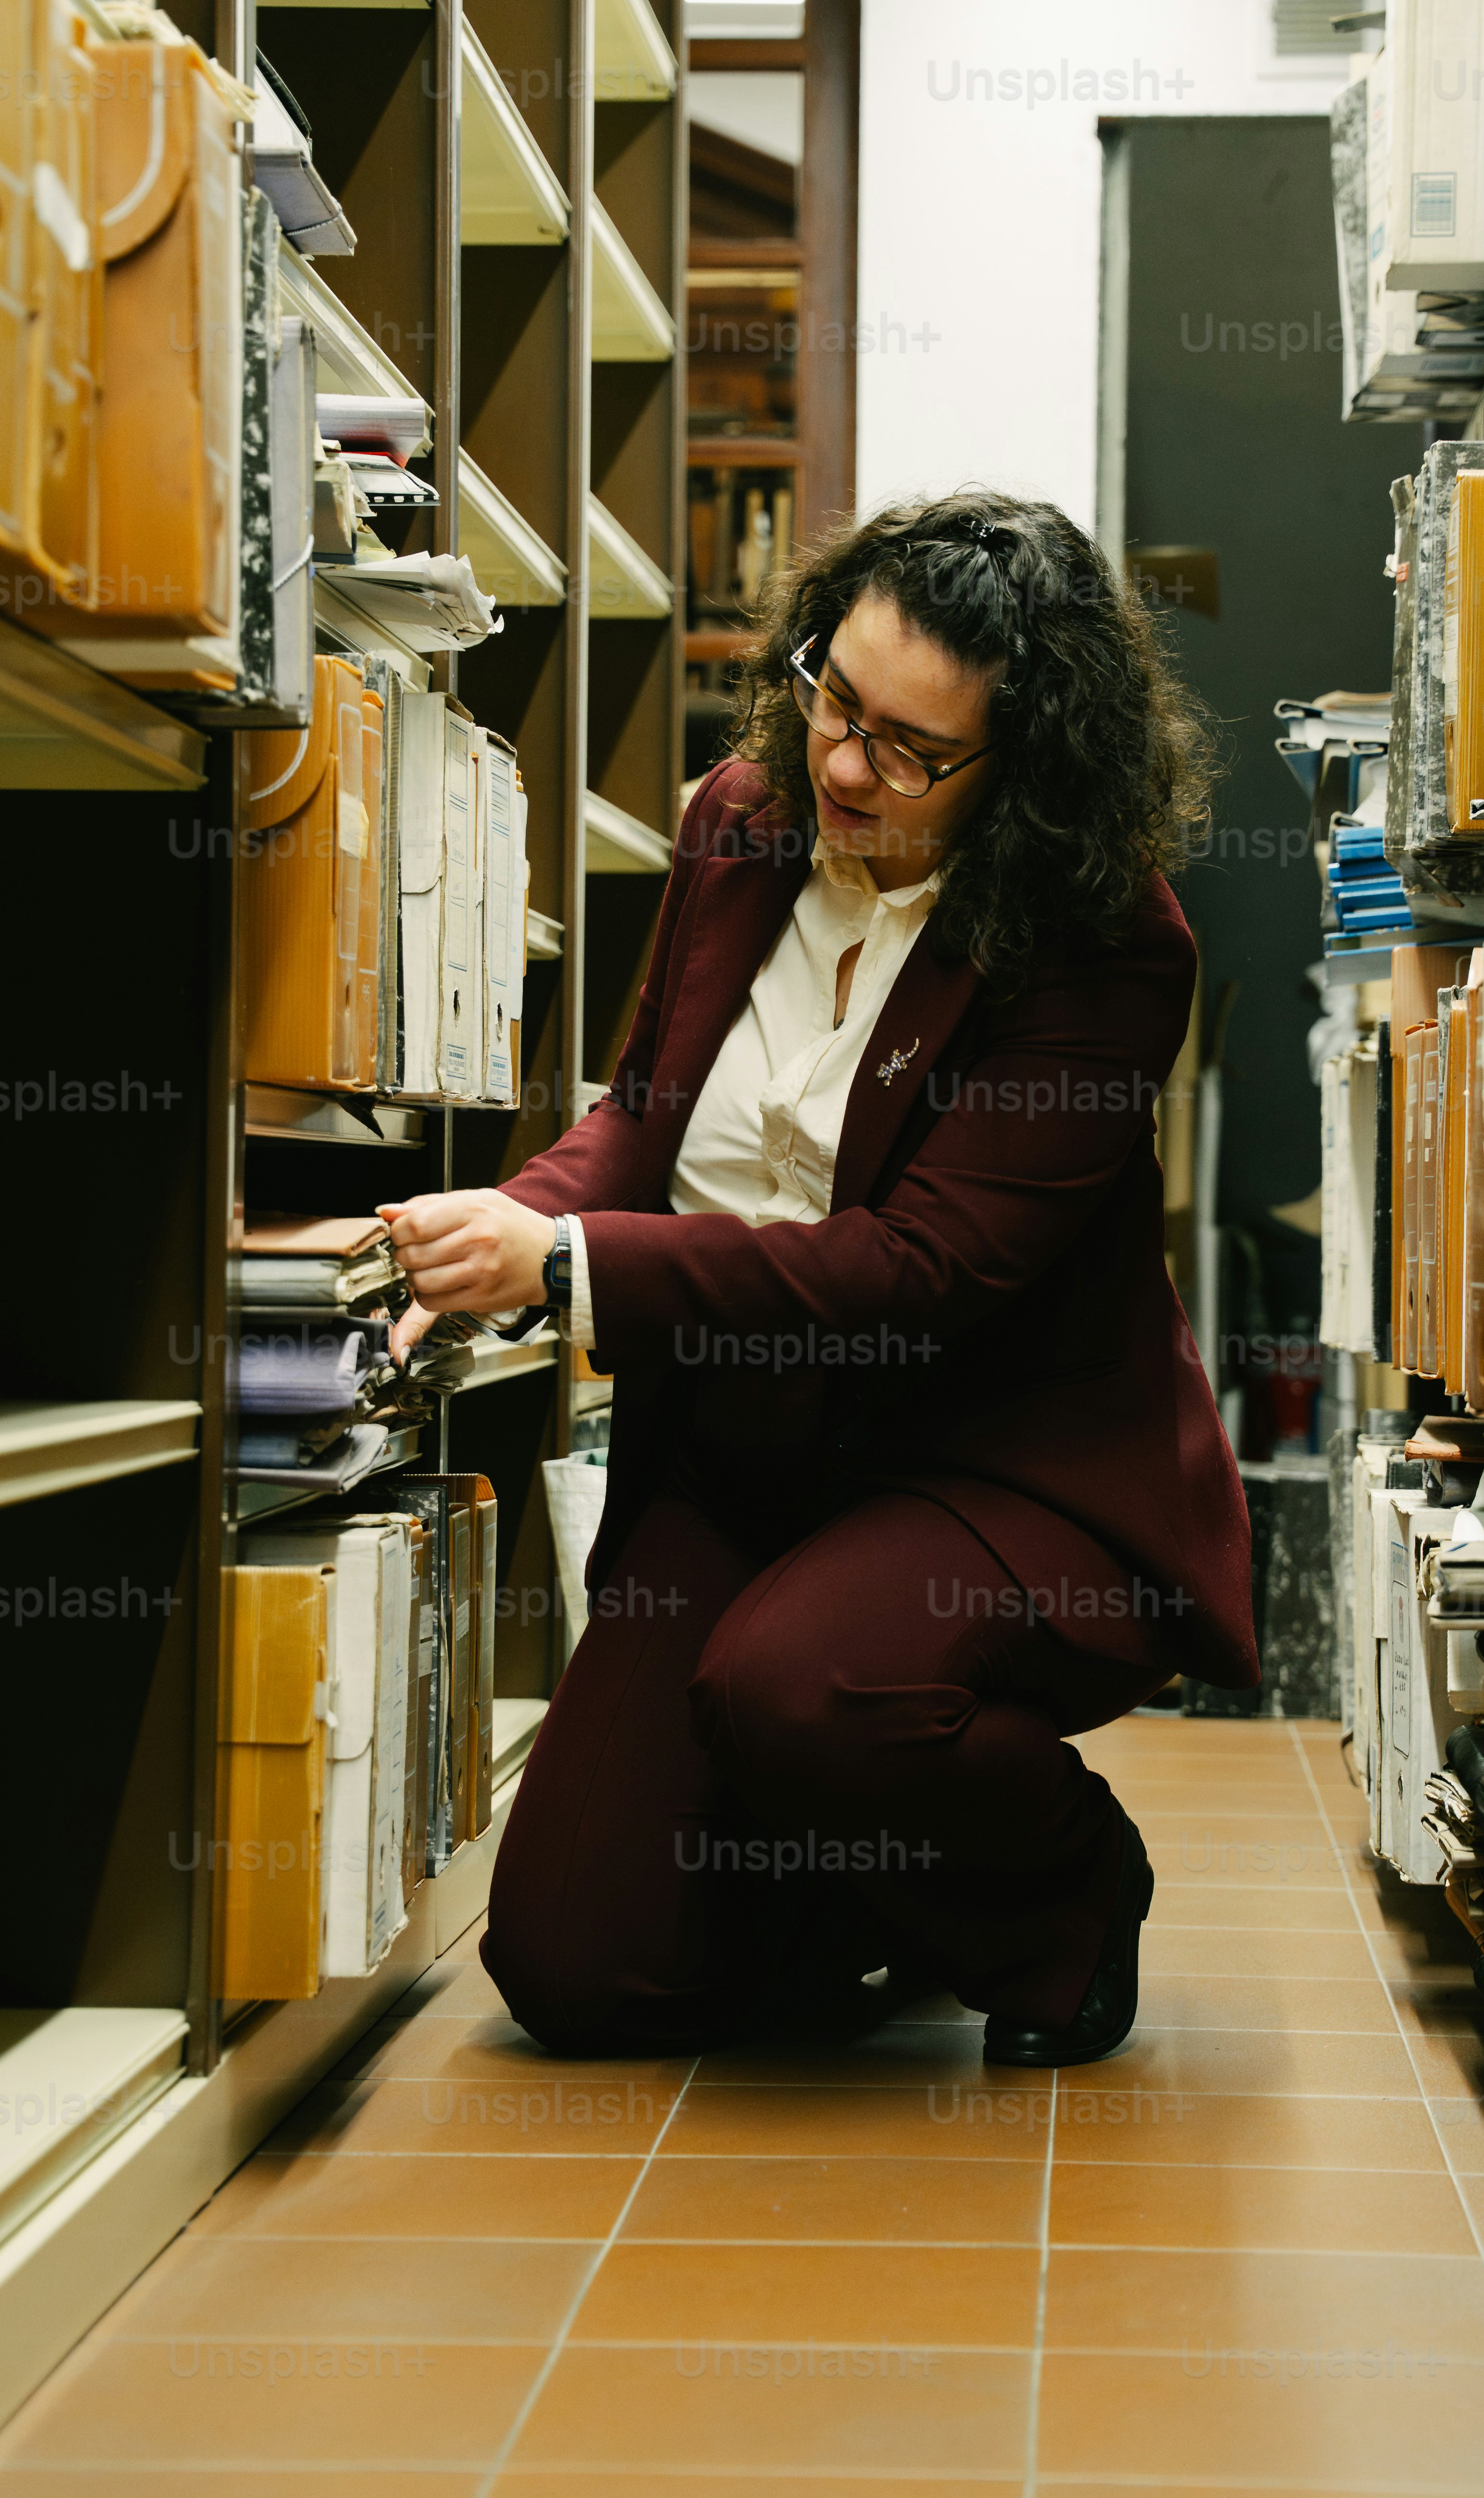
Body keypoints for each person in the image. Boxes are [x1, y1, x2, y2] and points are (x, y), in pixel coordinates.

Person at [379, 490, 1255, 2064]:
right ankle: (889, 1879)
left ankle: (1063, 1886)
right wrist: (501, 1228)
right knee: (576, 1969)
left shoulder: (1105, 946)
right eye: (834, 697)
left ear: (1027, 774)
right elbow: (643, 1114)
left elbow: (912, 1269)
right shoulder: (742, 818)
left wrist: (570, 1263)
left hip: (990, 1464)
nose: (848, 764)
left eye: (913, 751)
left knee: (806, 1685)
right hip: (750, 1453)